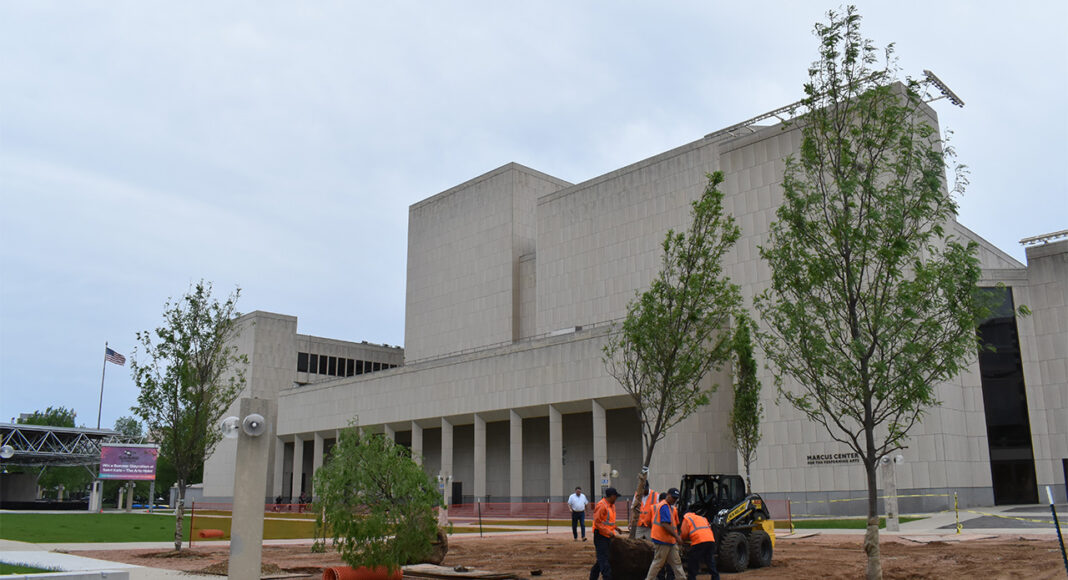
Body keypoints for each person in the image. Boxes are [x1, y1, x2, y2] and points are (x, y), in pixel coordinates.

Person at [644, 487, 686, 580]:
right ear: (668, 495)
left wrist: (675, 538)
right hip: (662, 540)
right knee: (658, 563)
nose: (674, 500)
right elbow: (665, 524)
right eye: (673, 497)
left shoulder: (670, 507)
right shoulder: (664, 506)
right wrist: (677, 537)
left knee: (676, 563)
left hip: (669, 541)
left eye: (676, 498)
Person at [589, 487, 622, 580]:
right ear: (611, 496)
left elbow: (609, 521)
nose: (616, 499)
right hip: (600, 537)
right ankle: (607, 577)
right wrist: (608, 532)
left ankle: (593, 577)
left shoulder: (612, 505)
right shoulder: (601, 505)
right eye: (615, 497)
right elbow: (597, 522)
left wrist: (616, 528)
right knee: (604, 560)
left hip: (608, 536)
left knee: (601, 559)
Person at [680, 511, 719, 580]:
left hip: (699, 541)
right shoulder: (702, 518)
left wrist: (682, 540)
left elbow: (684, 533)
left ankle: (691, 578)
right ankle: (715, 577)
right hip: (711, 540)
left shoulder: (686, 518)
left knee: (693, 561)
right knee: (710, 561)